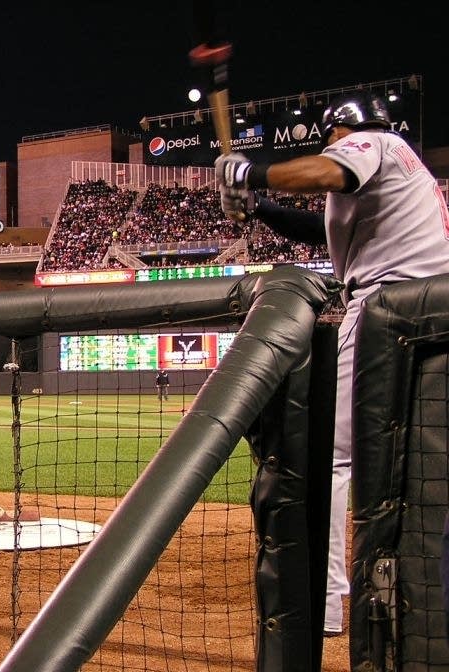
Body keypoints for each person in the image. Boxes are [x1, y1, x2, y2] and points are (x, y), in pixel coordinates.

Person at [215, 90, 449, 637]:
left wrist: (252, 173)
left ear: (339, 133)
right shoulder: (405, 171)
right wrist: (261, 207)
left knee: (334, 458)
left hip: (388, 313)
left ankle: (328, 603)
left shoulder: (375, 145)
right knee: (421, 462)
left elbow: (327, 173)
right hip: (431, 315)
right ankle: (418, 593)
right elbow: (319, 225)